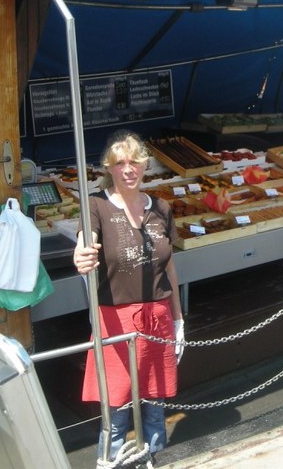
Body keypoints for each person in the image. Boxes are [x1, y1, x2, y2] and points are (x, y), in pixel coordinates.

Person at [73, 130, 185, 462]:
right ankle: (110, 462)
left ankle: (152, 459)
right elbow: (85, 242)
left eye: (134, 161)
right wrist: (80, 256)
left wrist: (179, 318)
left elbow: (171, 269)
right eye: (120, 163)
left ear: (145, 165)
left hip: (158, 318)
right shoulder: (96, 206)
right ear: (109, 167)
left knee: (154, 406)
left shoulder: (161, 208)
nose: (128, 169)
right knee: (118, 410)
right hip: (115, 321)